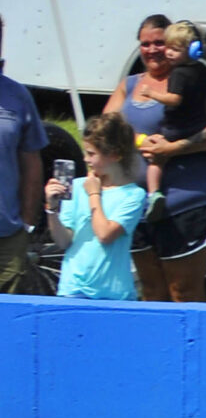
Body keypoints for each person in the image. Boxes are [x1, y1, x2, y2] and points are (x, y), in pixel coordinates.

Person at [127, 17, 206, 302]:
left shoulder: (193, 80)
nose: (153, 50)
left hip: (187, 203)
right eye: (145, 44)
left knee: (183, 293)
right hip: (139, 205)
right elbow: (105, 128)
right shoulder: (131, 84)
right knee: (151, 290)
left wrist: (172, 149)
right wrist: (139, 141)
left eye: (160, 42)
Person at [45, 113, 148, 301]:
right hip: (72, 288)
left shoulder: (133, 195)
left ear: (115, 155)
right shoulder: (77, 186)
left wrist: (94, 195)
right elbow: (64, 241)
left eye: (91, 154)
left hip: (112, 293)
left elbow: (105, 235)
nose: (85, 159)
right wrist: (51, 209)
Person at [0, 14, 50, 296]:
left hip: (7, 238)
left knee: (5, 327)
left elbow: (32, 163)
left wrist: (27, 224)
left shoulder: (17, 96)